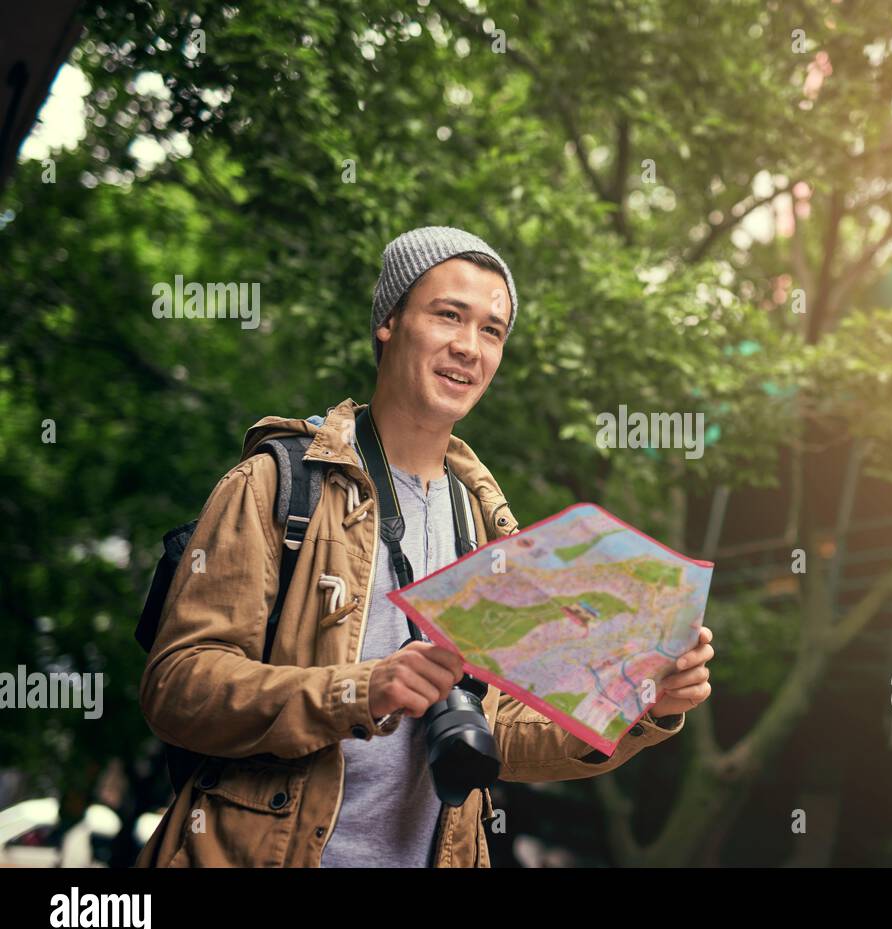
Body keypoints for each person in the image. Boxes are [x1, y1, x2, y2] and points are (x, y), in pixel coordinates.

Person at [136, 226, 715, 867]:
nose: (469, 347)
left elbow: (500, 735)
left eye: (491, 330)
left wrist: (640, 699)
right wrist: (362, 690)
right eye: (449, 316)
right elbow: (177, 687)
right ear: (389, 321)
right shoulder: (277, 483)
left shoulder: (491, 531)